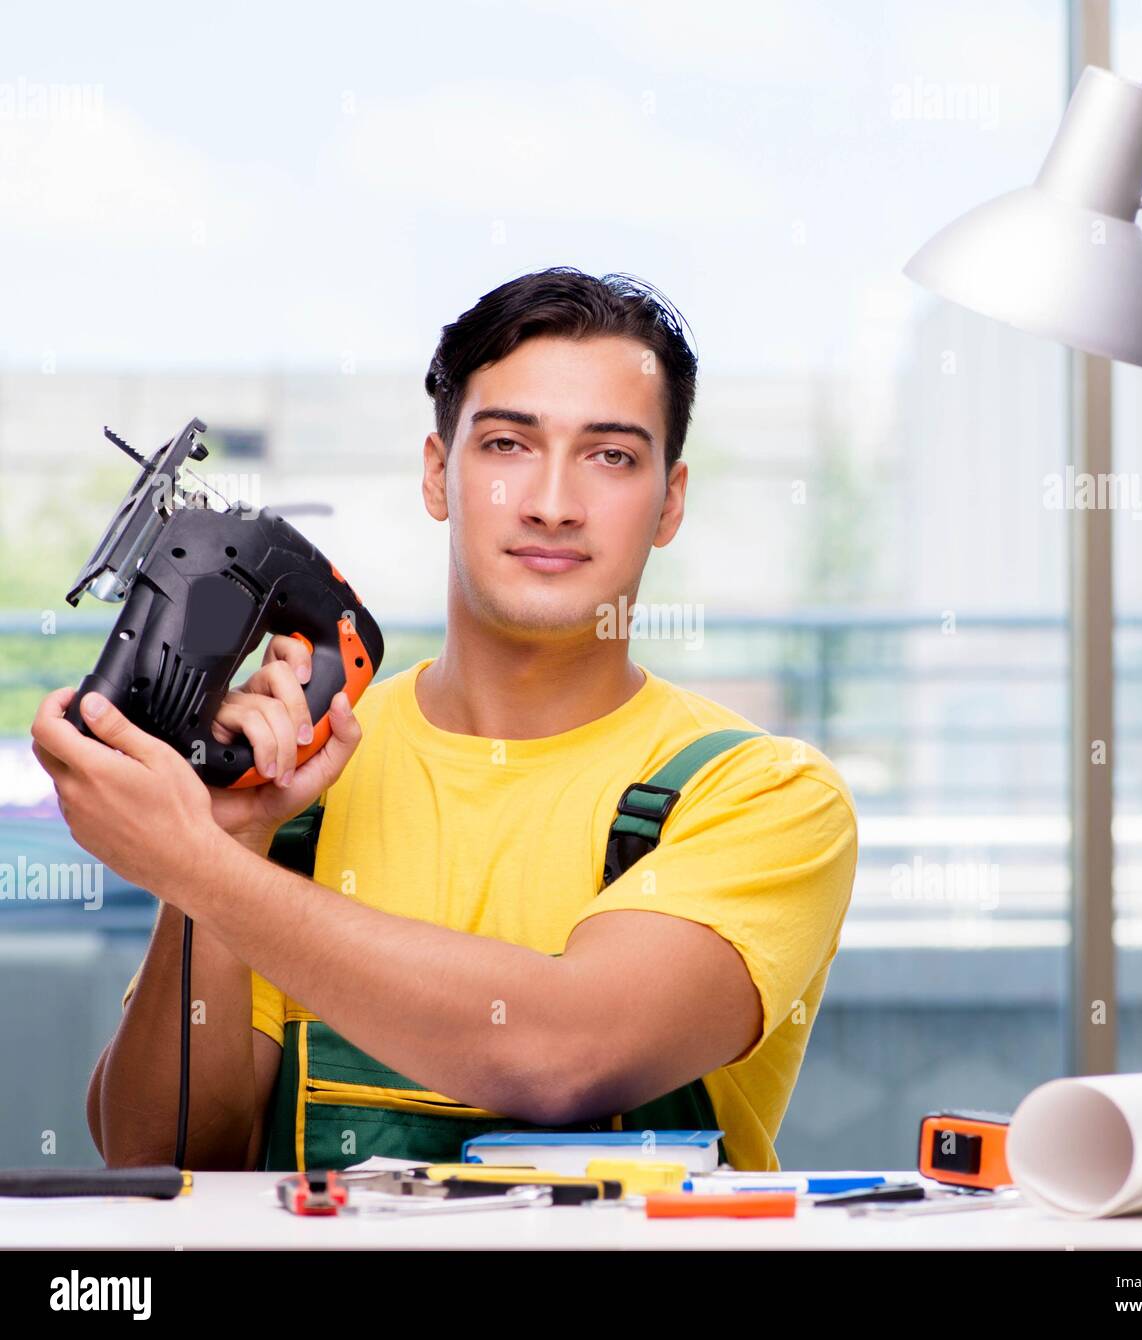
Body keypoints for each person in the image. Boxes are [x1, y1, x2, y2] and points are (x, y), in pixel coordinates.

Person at [31, 266, 859, 1172]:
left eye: (611, 456)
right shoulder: (306, 776)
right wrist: (231, 838)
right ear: (438, 474)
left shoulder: (764, 796)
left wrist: (197, 865)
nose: (551, 502)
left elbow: (564, 1055)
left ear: (670, 502)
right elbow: (163, 1154)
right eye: (506, 445)